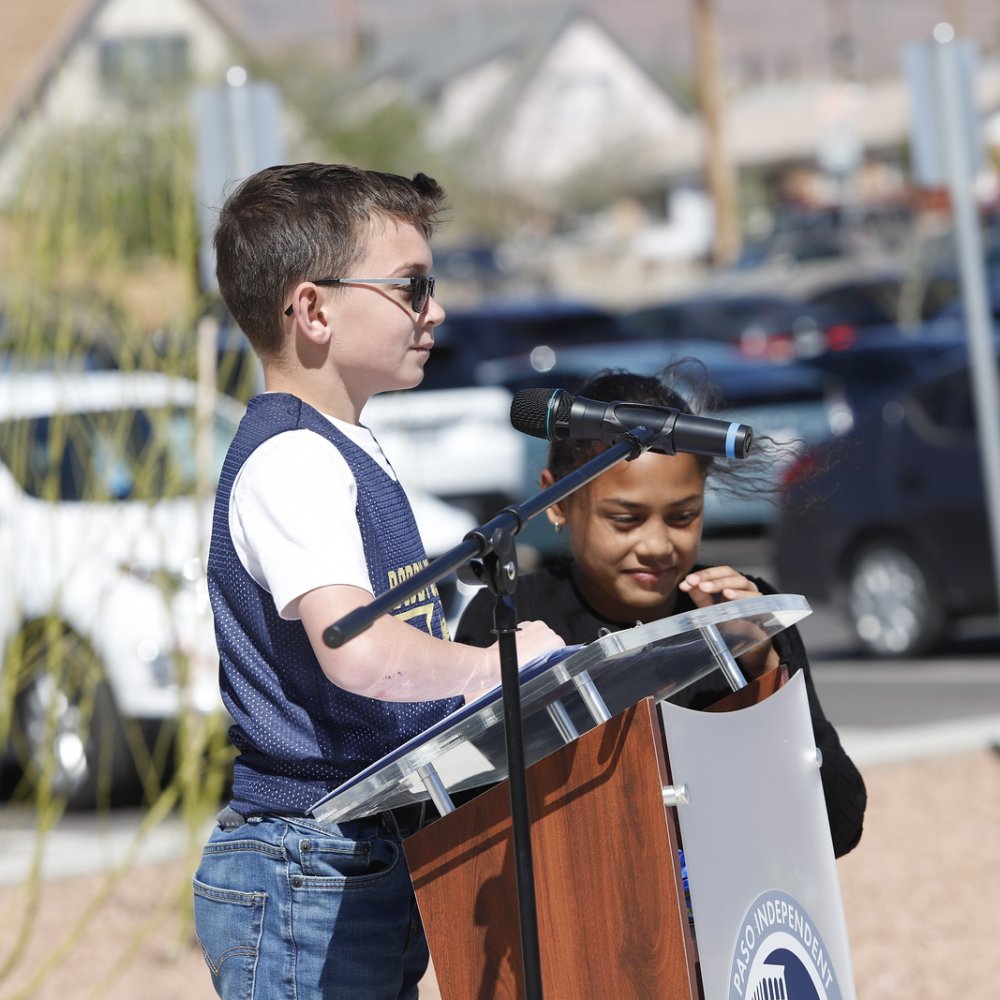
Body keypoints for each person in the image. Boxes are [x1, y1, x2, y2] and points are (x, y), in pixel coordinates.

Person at [191, 162, 564, 1000]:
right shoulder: (292, 457)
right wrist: (498, 667)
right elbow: (356, 652)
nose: (436, 310)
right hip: (305, 860)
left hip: (355, 849)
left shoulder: (338, 445)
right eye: (411, 287)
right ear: (313, 309)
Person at [456, 368, 867, 858]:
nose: (656, 545)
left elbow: (838, 823)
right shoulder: (509, 616)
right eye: (625, 519)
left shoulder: (743, 613)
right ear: (558, 501)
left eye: (682, 517)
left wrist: (761, 671)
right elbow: (466, 823)